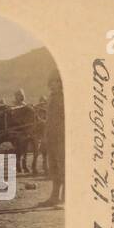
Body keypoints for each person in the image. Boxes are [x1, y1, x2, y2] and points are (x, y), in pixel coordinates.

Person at [41, 71, 64, 207]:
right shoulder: (52, 98)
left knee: (63, 168)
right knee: (54, 169)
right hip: (51, 138)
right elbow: (49, 120)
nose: (51, 85)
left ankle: (64, 199)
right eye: (50, 83)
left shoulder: (63, 98)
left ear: (60, 83)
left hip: (61, 138)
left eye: (54, 82)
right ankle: (54, 197)